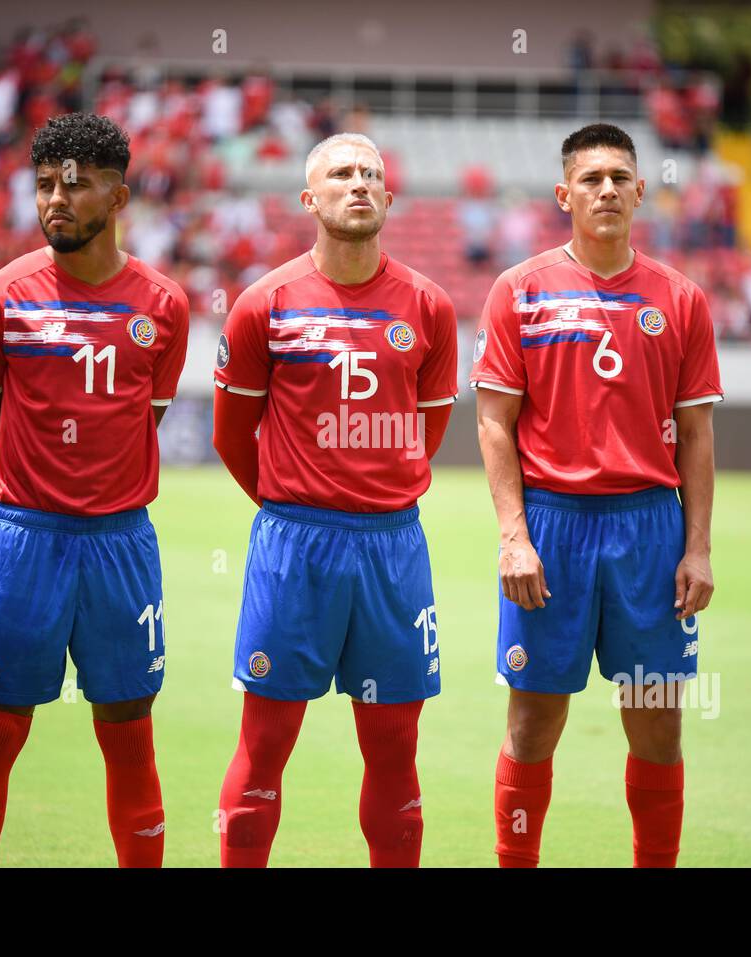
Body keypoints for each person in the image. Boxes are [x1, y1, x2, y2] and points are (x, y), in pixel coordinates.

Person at [472, 123, 721, 867]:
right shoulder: (519, 289)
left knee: (657, 724)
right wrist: (515, 535)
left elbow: (698, 435)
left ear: (642, 190)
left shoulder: (680, 299)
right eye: (591, 179)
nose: (606, 189)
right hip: (554, 525)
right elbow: (493, 422)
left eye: (620, 176)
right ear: (563, 195)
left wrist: (699, 547)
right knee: (534, 720)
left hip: (649, 528)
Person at [0, 113, 189, 868]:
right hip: (23, 538)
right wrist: (17, 519)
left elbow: (143, 419)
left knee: (128, 730)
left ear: (118, 196)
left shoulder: (164, 306)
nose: (56, 199)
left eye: (75, 186)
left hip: (121, 543)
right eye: (45, 184)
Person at [212, 132, 457, 868]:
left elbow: (427, 430)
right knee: (264, 744)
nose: (358, 184)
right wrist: (296, 503)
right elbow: (233, 437)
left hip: (392, 547)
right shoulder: (265, 303)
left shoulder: (430, 306)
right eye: (341, 174)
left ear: (388, 198)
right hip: (294, 545)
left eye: (371, 175)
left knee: (394, 748)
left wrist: (370, 491)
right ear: (307, 199)